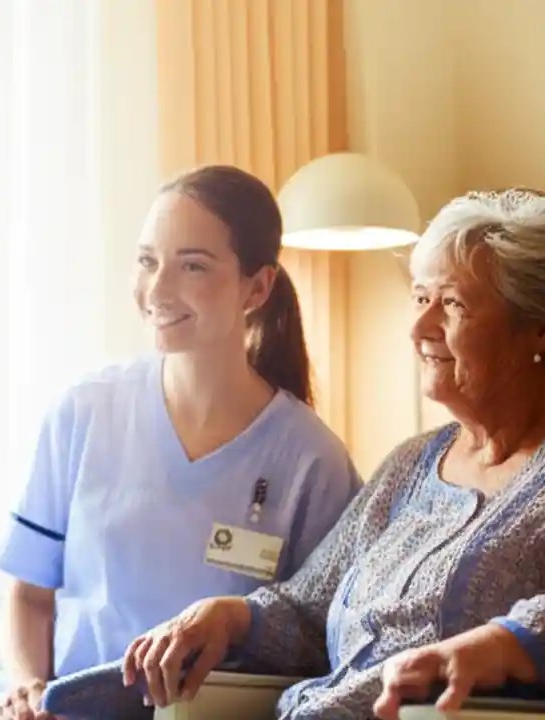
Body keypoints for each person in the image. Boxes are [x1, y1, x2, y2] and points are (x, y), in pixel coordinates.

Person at [121, 187, 545, 720]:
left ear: (536, 329)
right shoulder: (412, 464)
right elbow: (308, 607)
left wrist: (506, 641)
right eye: (420, 299)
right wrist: (230, 616)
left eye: (453, 304)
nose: (419, 328)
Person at [0, 165, 361, 720]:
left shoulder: (311, 461)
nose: (157, 289)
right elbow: (29, 595)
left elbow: (319, 635)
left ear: (257, 287)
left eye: (192, 265)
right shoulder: (84, 412)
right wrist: (27, 686)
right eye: (148, 261)